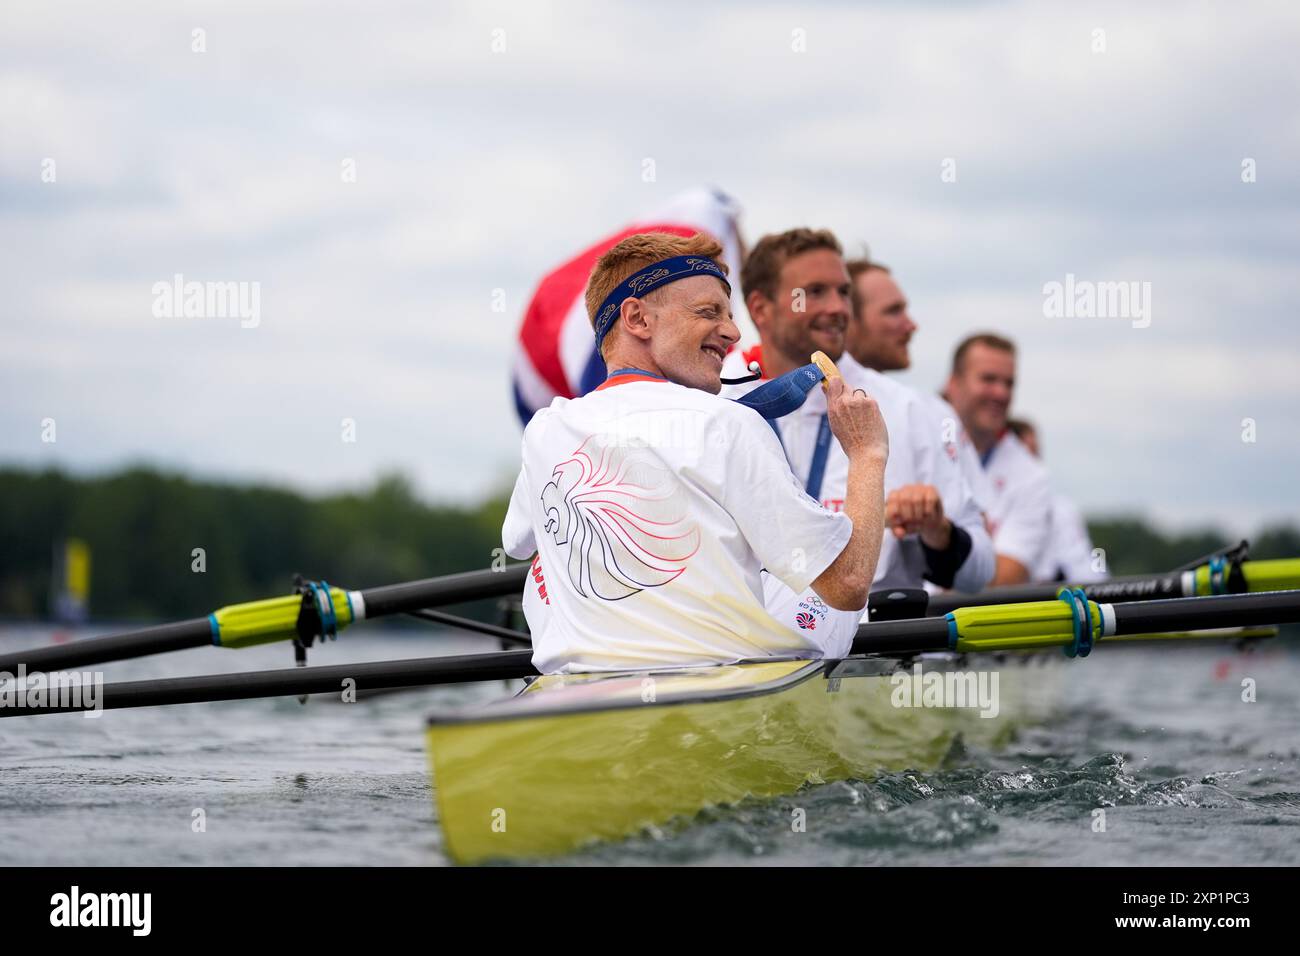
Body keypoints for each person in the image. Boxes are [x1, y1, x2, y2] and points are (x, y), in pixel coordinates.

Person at [502, 231, 889, 673]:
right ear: (638, 319)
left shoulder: (547, 428)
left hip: (587, 687)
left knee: (542, 567)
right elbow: (849, 584)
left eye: (730, 314)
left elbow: (516, 543)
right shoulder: (730, 424)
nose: (733, 331)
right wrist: (866, 455)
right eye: (709, 312)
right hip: (717, 689)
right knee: (831, 590)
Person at [722, 230, 993, 594]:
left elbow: (979, 575)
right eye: (814, 292)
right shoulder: (714, 399)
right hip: (752, 647)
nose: (836, 308)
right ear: (760, 308)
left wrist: (936, 530)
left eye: (844, 292)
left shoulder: (911, 410)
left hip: (872, 648)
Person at [944, 333, 1052, 585]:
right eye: (989, 379)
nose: (1001, 393)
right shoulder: (917, 442)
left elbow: (1004, 580)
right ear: (953, 384)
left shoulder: (1031, 475)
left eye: (1009, 383)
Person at [1007, 418, 1107, 583]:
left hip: (1053, 596)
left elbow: (1090, 571)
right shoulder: (984, 506)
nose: (1034, 466)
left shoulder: (1063, 509)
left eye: (1036, 454)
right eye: (1026, 457)